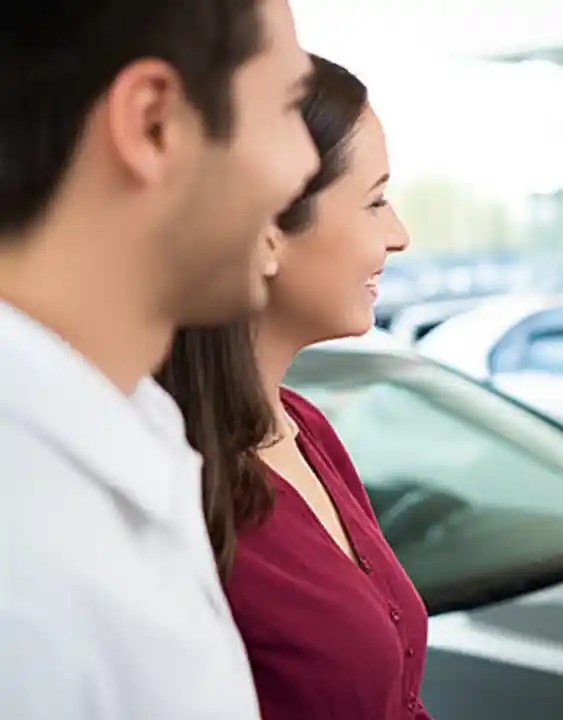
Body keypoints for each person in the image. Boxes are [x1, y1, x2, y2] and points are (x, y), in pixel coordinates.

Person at [0, 1, 318, 718]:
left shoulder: (128, 429)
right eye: (290, 108)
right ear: (153, 123)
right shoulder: (21, 577)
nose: (305, 165)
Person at [154, 53, 426, 720]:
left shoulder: (306, 428)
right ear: (269, 228)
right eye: (375, 201)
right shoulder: (167, 482)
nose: (399, 236)